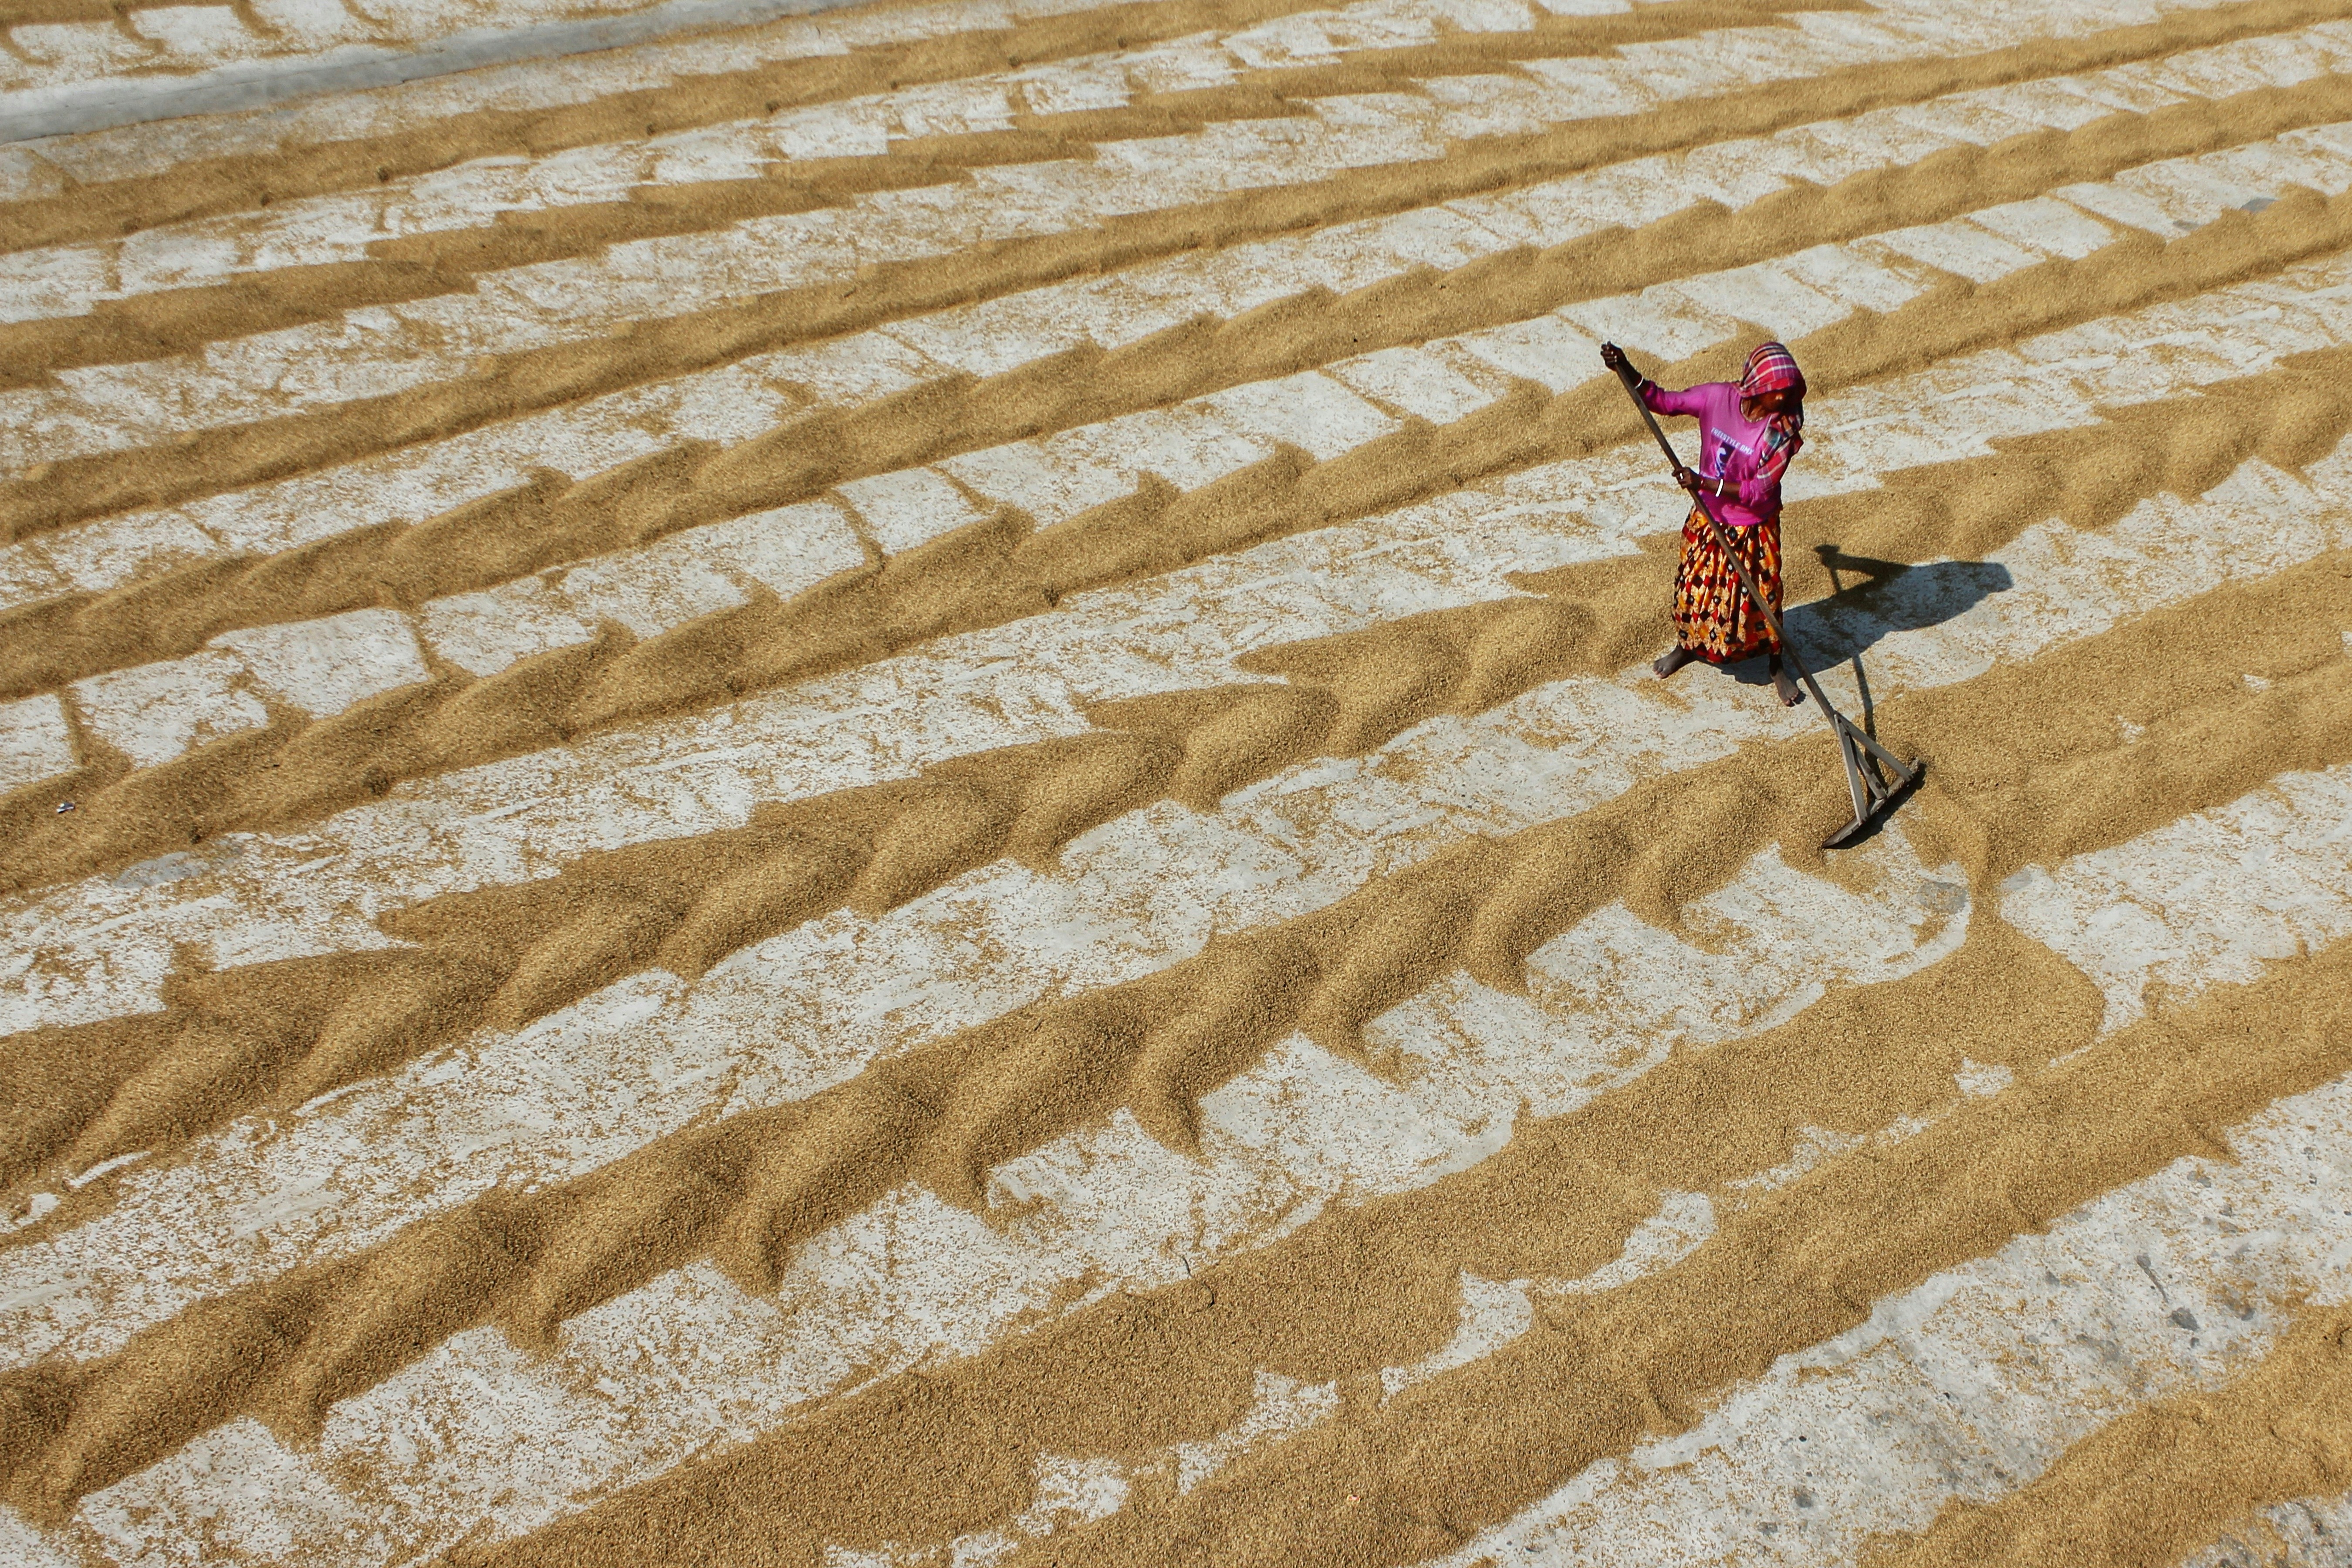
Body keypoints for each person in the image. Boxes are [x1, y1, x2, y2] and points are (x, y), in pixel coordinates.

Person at [1600, 340, 1808, 707]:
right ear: (1760, 389)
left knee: (1762, 603)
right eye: (1781, 391)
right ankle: (1688, 648)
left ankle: (1776, 666)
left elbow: (1761, 490)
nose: (1789, 397)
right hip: (1708, 519)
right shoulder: (1718, 399)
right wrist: (1625, 368)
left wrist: (1705, 483)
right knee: (1693, 595)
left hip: (1753, 528)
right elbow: (1662, 401)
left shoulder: (1783, 428)